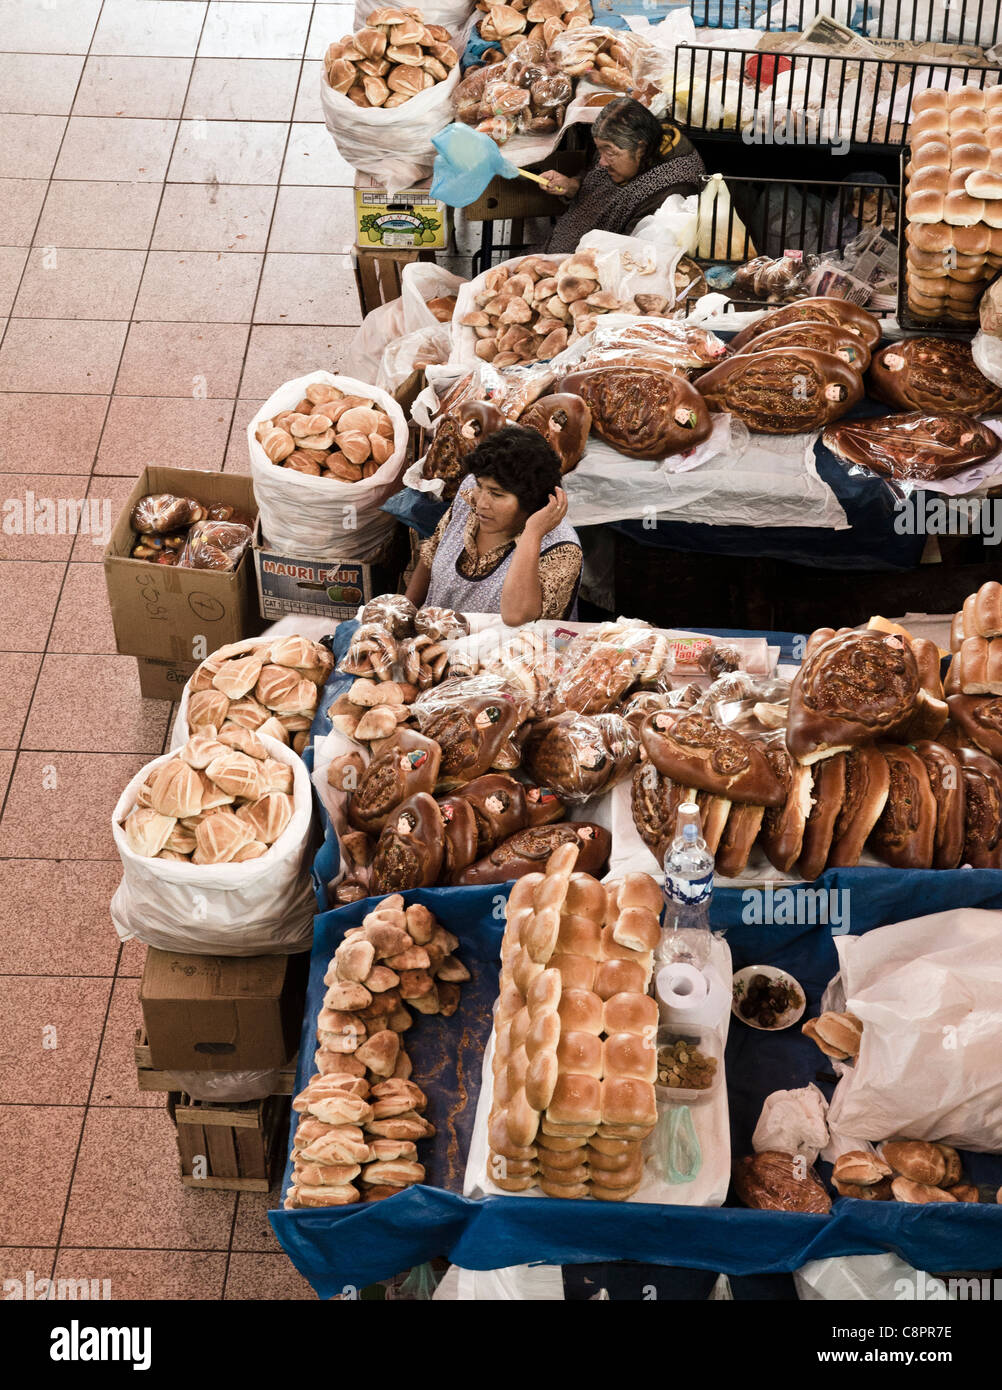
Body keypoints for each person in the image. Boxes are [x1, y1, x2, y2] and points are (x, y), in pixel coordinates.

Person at [405, 426, 582, 625]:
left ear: (530, 500)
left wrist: (532, 534)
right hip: (432, 644)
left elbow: (516, 617)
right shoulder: (472, 492)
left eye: (497, 494)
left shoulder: (561, 549)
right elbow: (433, 553)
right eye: (480, 486)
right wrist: (403, 613)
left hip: (501, 654)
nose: (481, 502)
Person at [538, 96, 706, 254]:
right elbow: (593, 178)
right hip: (554, 250)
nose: (602, 162)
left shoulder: (669, 192)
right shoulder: (630, 144)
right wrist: (571, 185)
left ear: (640, 148)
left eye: (609, 153)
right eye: (600, 150)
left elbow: (630, 256)